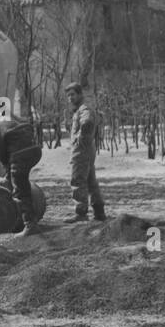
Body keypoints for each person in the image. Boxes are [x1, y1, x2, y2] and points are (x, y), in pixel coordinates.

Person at [0, 99, 43, 236]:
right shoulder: (15, 118)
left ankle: (30, 225)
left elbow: (0, 151)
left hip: (20, 155)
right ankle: (10, 181)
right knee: (19, 180)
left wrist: (7, 168)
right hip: (35, 151)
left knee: (20, 189)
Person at [65, 81, 107, 222]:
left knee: (77, 180)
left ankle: (81, 213)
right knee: (91, 182)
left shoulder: (84, 109)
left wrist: (80, 139)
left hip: (82, 152)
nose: (70, 98)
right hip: (87, 151)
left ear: (80, 94)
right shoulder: (82, 109)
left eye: (73, 95)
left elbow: (88, 122)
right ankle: (99, 212)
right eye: (68, 96)